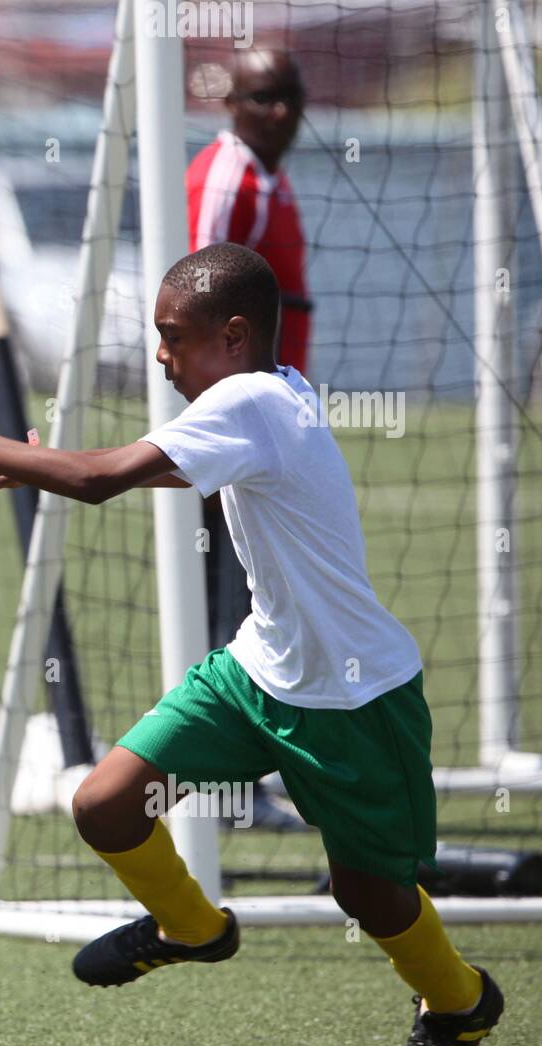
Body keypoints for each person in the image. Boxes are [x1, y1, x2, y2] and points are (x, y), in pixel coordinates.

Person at [0, 242, 503, 1046]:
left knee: (369, 898)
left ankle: (458, 1002)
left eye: (173, 336)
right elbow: (157, 474)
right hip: (253, 677)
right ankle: (192, 927)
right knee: (105, 803)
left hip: (354, 700)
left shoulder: (247, 400)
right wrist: (28, 464)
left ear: (232, 336)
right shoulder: (270, 395)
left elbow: (98, 478)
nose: (160, 354)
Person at [188, 47, 311, 654]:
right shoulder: (226, 175)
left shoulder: (271, 178)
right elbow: (192, 291)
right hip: (238, 416)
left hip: (278, 413)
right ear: (232, 105)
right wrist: (212, 412)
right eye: (264, 97)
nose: (282, 111)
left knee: (272, 581)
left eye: (291, 96)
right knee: (230, 588)